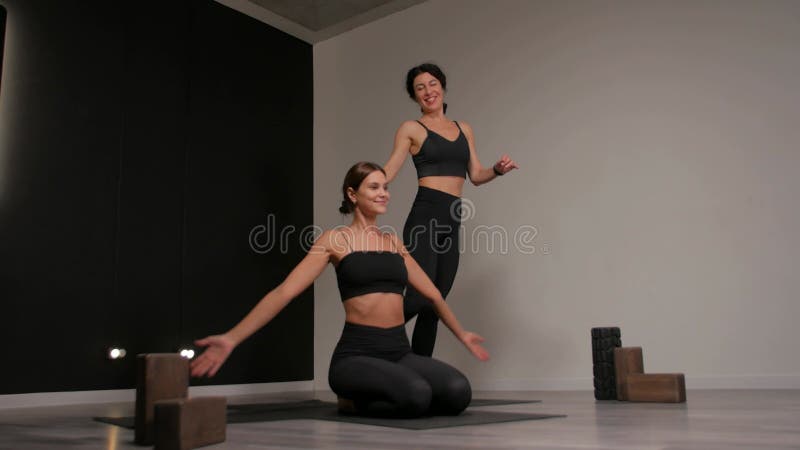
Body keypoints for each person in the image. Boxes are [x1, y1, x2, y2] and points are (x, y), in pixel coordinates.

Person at [190, 162, 489, 418]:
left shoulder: (393, 243)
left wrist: (462, 333)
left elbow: (432, 294)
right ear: (352, 194)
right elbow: (284, 292)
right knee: (417, 395)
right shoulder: (334, 240)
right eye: (374, 187)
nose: (384, 193)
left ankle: (392, 392)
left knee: (458, 391)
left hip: (399, 351)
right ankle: (352, 402)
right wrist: (232, 338)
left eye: (385, 187)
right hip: (356, 356)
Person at [383, 63, 519, 357]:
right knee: (419, 298)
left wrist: (497, 170)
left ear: (442, 86)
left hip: (453, 218)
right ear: (414, 97)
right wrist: (366, 184)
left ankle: (420, 370)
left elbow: (476, 175)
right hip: (425, 216)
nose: (428, 91)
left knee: (436, 303)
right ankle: (370, 338)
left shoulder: (463, 129)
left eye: (432, 84)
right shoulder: (411, 129)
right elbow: (390, 169)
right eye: (420, 88)